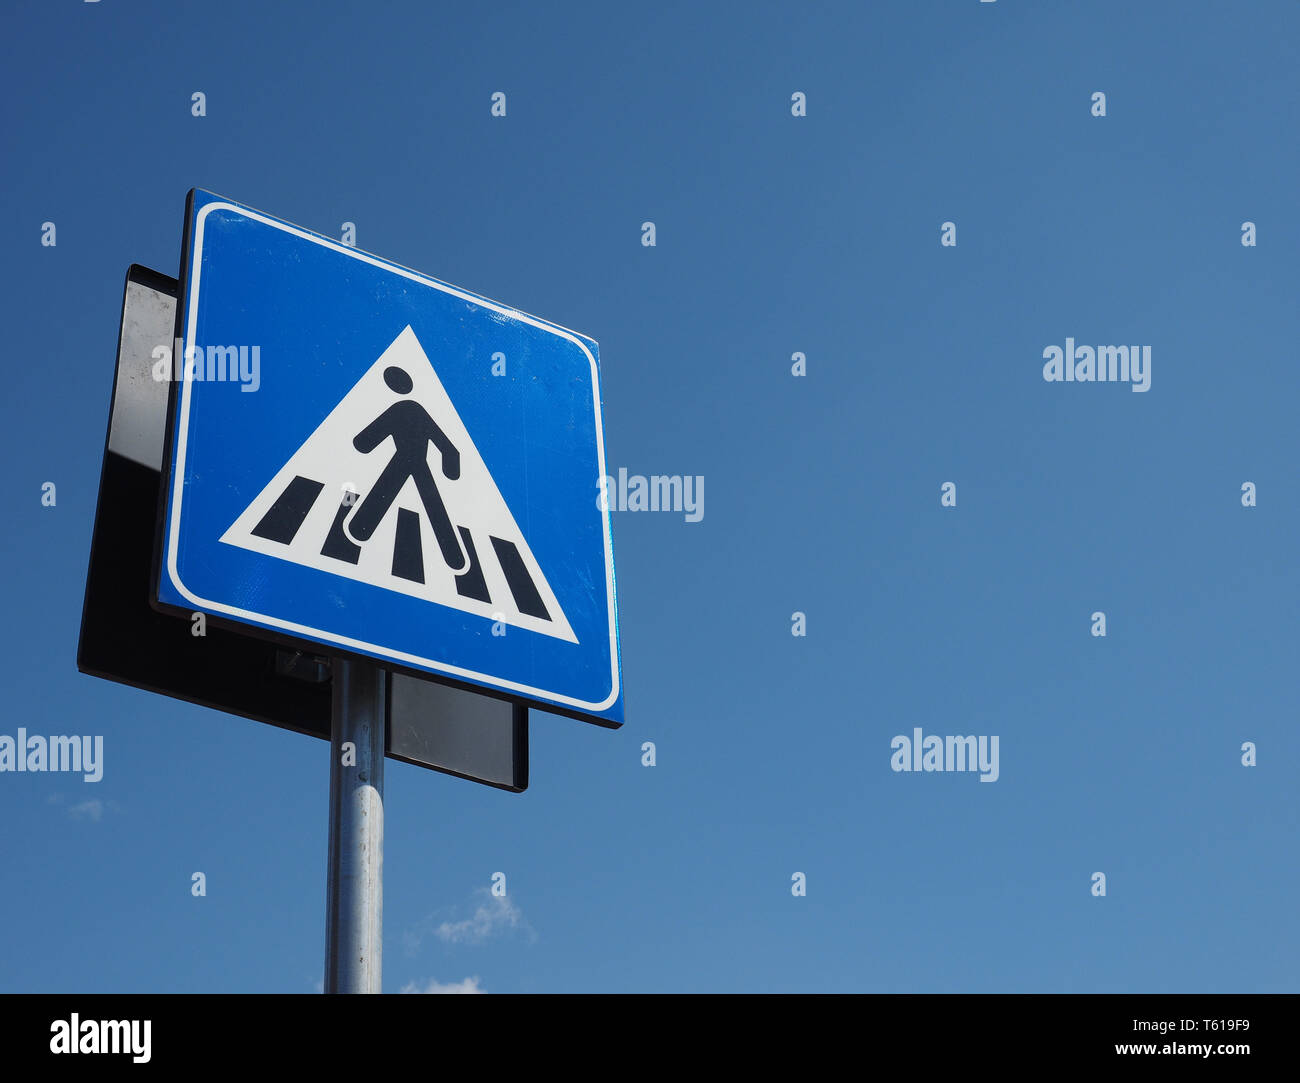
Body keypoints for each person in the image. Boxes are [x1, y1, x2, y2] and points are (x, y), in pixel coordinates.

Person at [345, 365, 468, 573]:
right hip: (416, 464)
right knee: (434, 506)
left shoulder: (404, 409)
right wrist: (450, 467)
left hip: (405, 462)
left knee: (387, 495)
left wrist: (363, 442)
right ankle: (454, 557)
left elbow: (365, 441)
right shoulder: (413, 409)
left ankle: (358, 530)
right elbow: (447, 448)